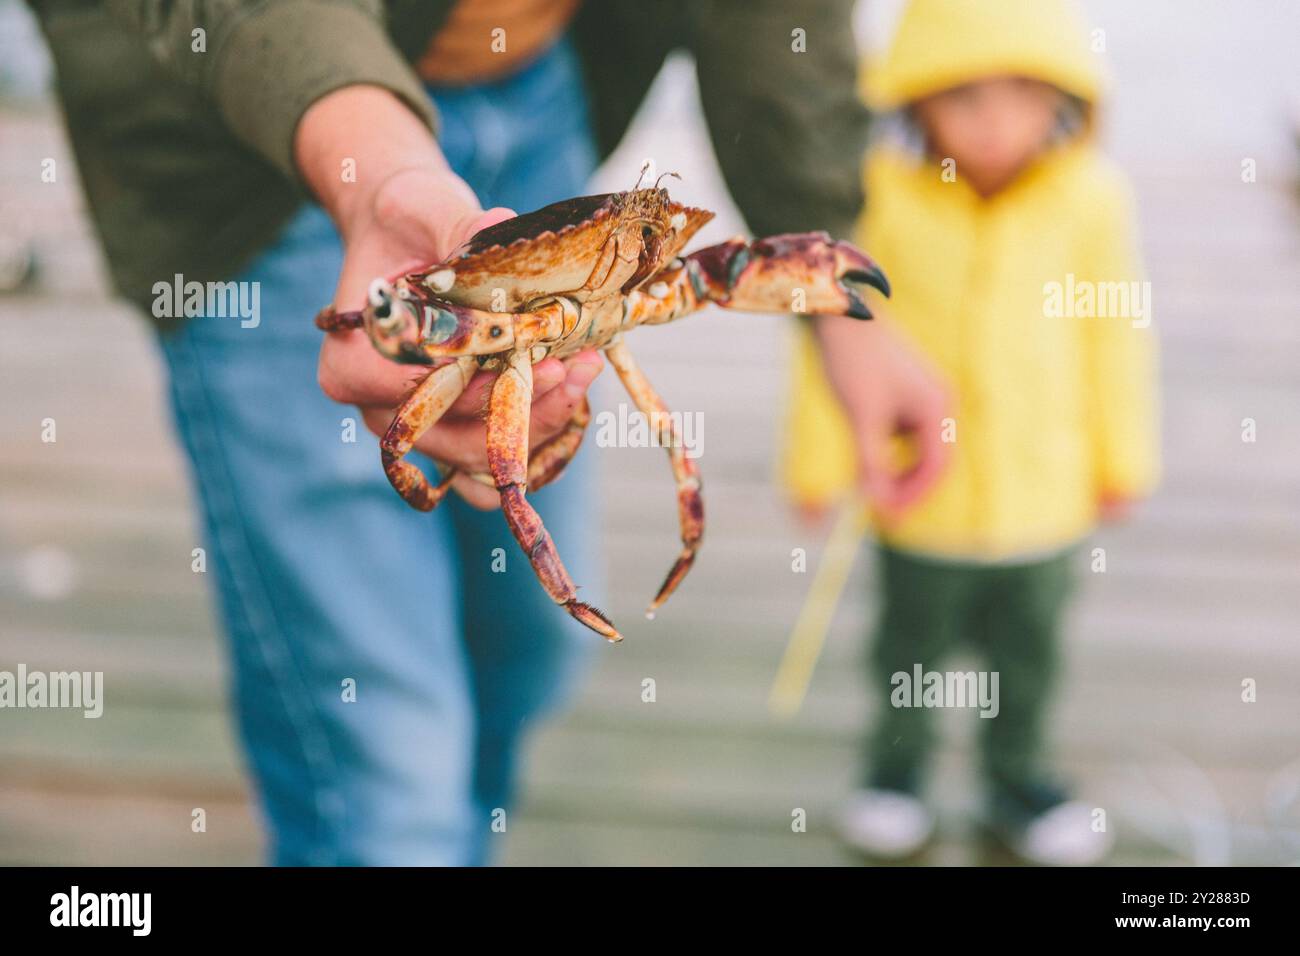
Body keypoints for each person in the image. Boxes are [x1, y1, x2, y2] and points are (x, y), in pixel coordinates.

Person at [31, 0, 949, 864]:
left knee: (530, 653)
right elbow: (399, 343)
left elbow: (714, 265)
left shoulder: (629, 242)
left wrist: (826, 285)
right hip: (246, 160)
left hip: (544, 98)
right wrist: (380, 186)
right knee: (388, 768)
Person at [783, 0, 1159, 865]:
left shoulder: (1094, 198)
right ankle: (896, 775)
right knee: (908, 649)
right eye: (966, 97)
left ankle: (1016, 778)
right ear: (913, 98)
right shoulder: (874, 199)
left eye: (1025, 94)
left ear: (1067, 95)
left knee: (1027, 657)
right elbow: (831, 336)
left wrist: (1123, 458)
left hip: (1046, 498)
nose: (996, 123)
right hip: (919, 500)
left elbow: (1119, 335)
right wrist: (818, 461)